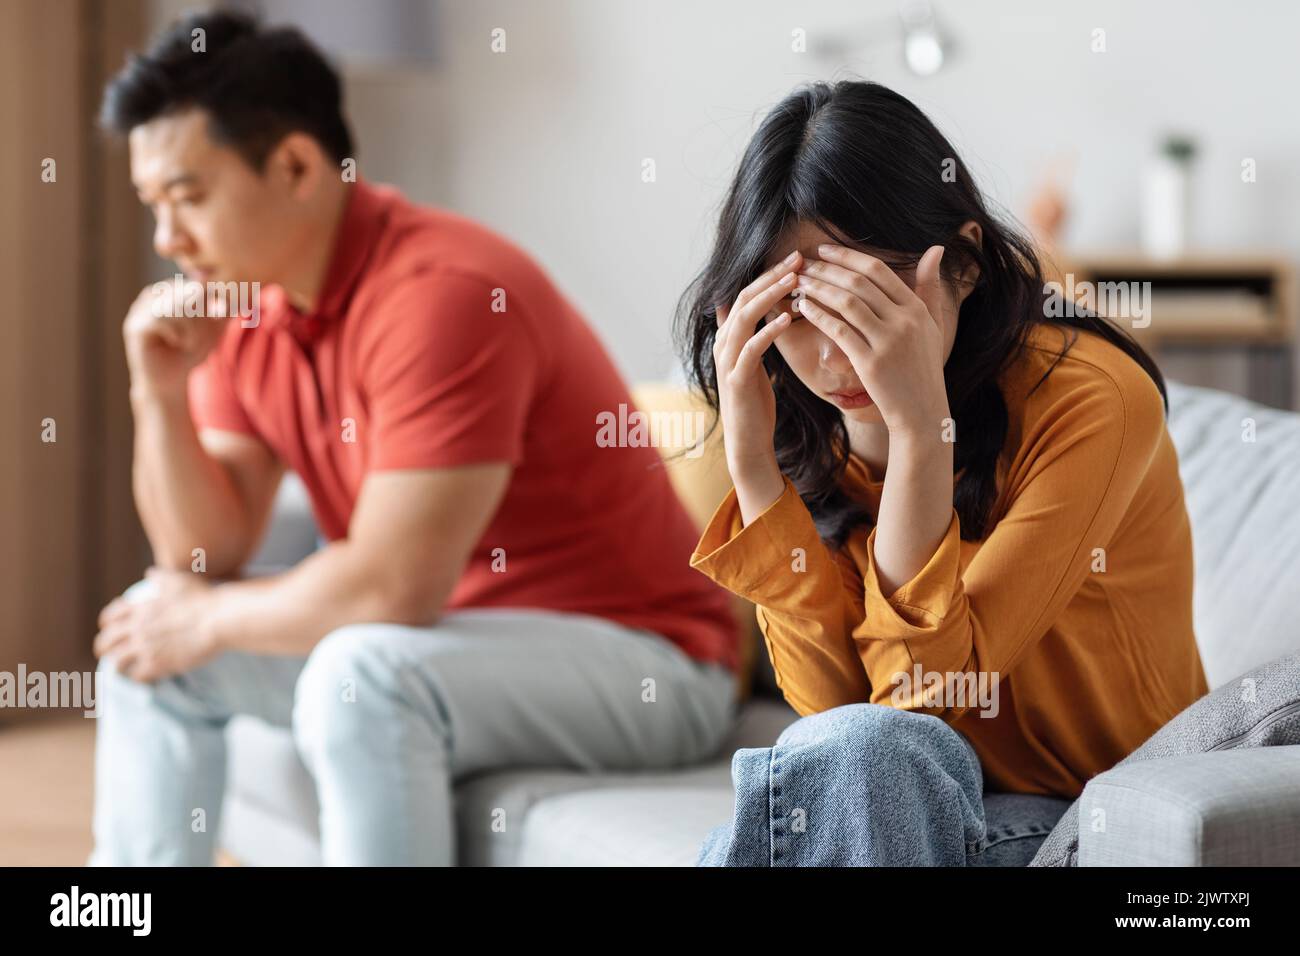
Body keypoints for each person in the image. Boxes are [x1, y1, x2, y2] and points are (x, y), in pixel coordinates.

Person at [89, 10, 739, 866]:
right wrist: (159, 391)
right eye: (155, 206)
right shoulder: (242, 305)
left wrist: (208, 619)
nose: (167, 239)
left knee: (362, 675)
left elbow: (391, 588)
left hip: (646, 660)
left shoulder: (445, 294)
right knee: (146, 638)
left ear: (296, 166)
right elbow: (201, 552)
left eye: (188, 197)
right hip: (448, 648)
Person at [676, 79, 1209, 866]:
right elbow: (832, 714)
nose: (834, 358)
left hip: (1085, 811)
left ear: (963, 262)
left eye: (868, 300)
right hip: (894, 801)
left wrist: (921, 435)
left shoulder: (1095, 403)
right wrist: (754, 470)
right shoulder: (804, 418)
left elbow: (913, 709)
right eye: (796, 310)